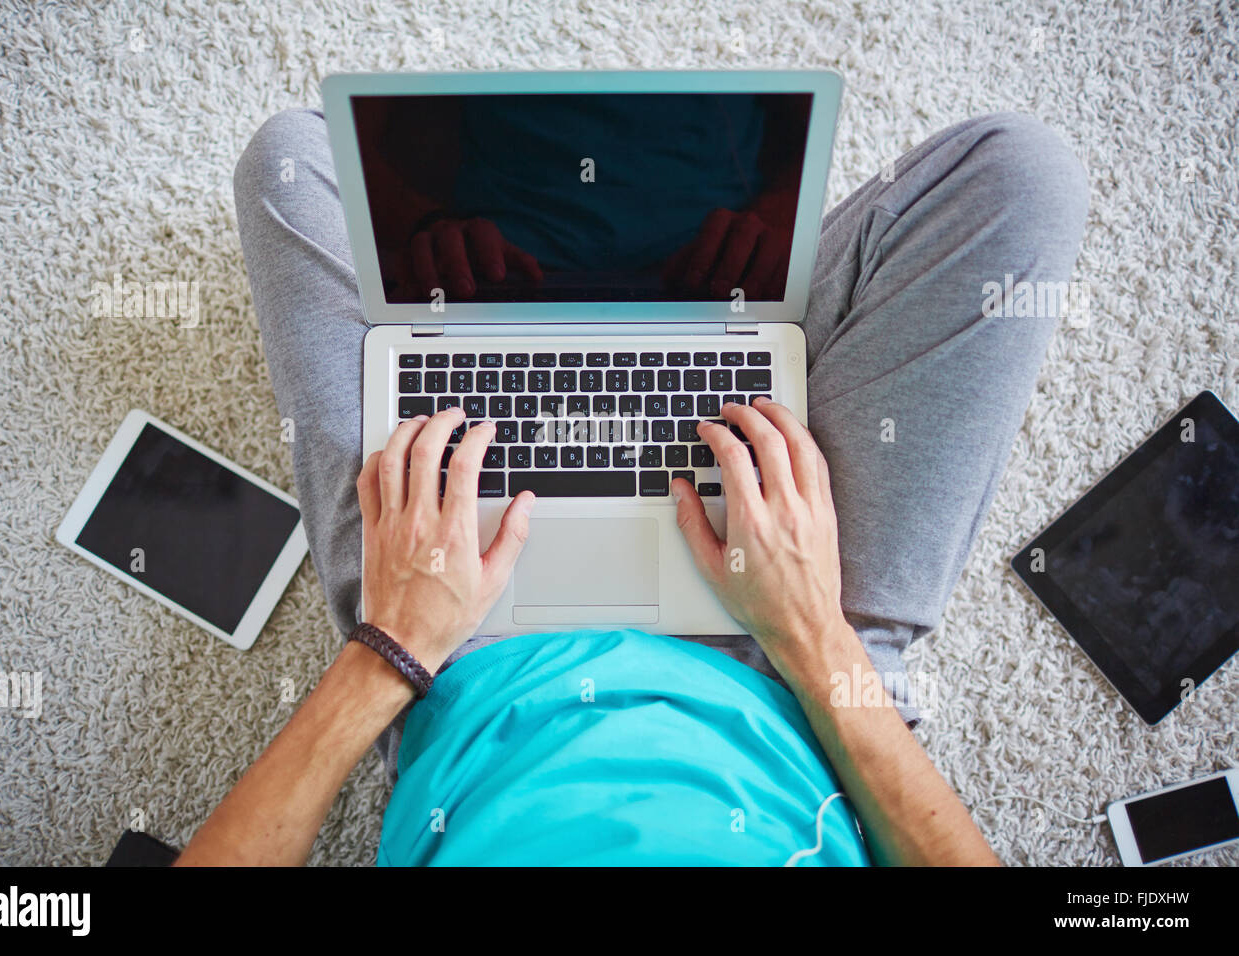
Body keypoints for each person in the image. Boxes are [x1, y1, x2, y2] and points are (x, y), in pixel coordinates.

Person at [174, 106, 1088, 866]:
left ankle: (577, 299)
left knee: (290, 165)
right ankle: (700, 303)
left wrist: (394, 643)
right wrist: (812, 629)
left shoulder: (417, 645)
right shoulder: (807, 641)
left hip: (452, 660)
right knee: (1024, 177)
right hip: (797, 676)